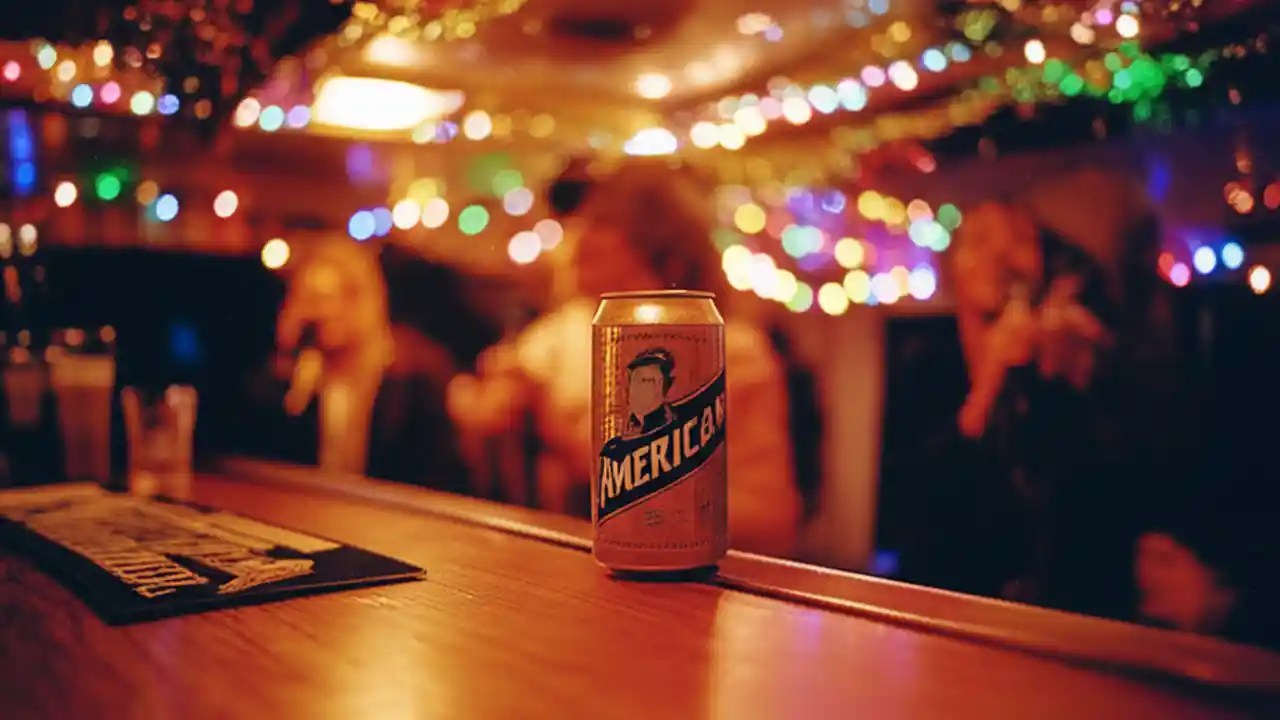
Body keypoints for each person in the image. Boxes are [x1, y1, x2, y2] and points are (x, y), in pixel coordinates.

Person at [447, 159, 801, 557]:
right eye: (586, 221)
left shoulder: (731, 351)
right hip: (567, 567)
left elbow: (768, 517)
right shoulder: (565, 329)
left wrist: (555, 421)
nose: (580, 238)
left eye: (604, 223)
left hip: (692, 583)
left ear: (662, 254)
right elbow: (483, 413)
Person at [246, 236, 467, 491]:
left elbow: (443, 477)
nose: (324, 312)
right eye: (310, 299)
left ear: (367, 300)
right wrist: (285, 356)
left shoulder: (412, 379)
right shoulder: (298, 378)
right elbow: (259, 450)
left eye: (335, 297)